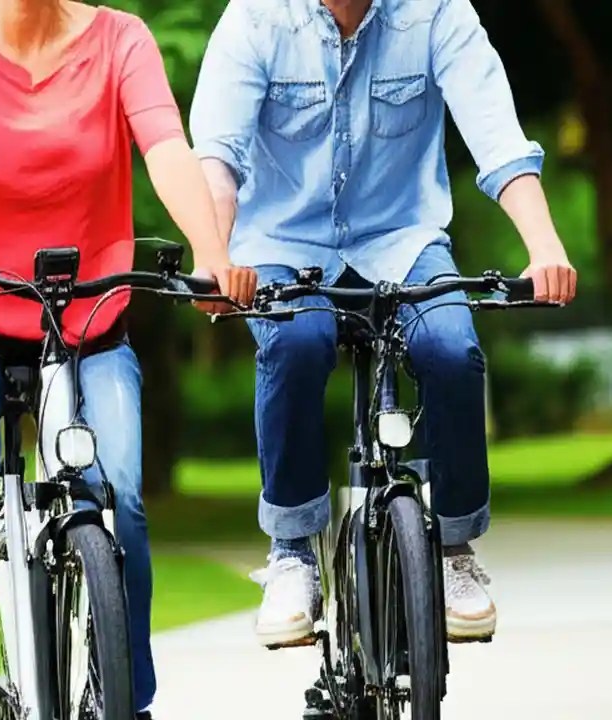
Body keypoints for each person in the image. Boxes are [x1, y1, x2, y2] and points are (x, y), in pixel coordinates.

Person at [0, 0, 257, 717]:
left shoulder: (121, 39)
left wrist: (212, 256)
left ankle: (123, 694)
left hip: (85, 325)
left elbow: (166, 149)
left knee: (121, 497)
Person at [190, 0, 577, 647]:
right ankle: (291, 553)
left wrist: (545, 246)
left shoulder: (436, 13)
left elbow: (496, 135)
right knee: (295, 342)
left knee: (453, 349)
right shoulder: (256, 18)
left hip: (402, 238)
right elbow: (219, 157)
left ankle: (454, 551)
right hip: (283, 245)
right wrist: (213, 256)